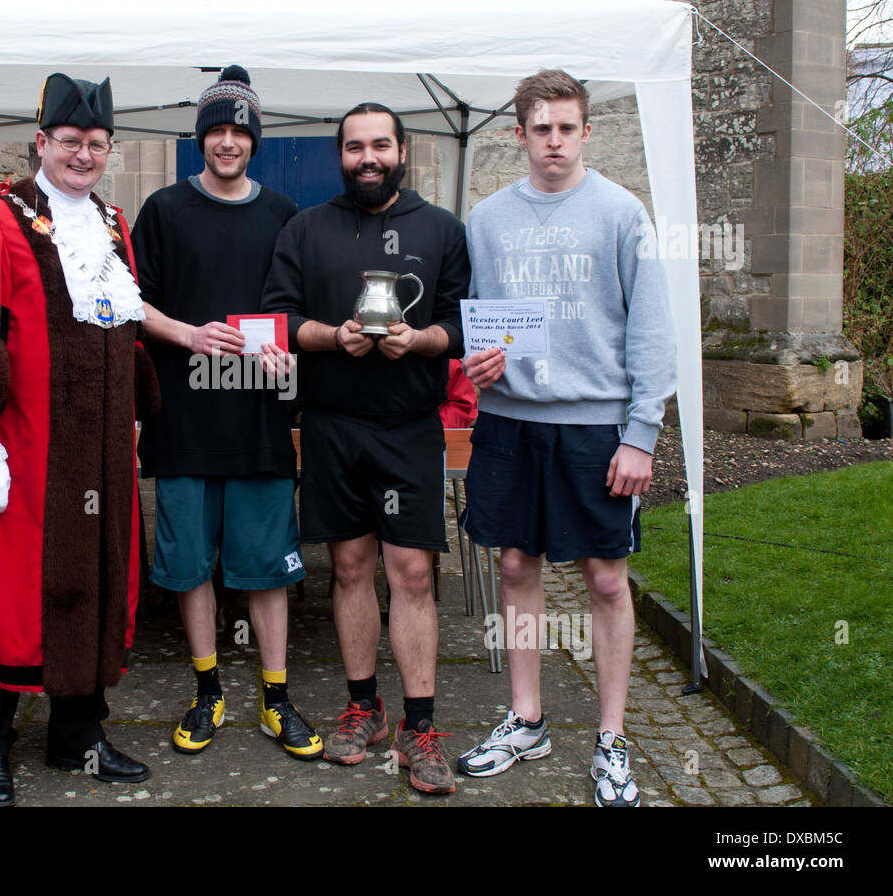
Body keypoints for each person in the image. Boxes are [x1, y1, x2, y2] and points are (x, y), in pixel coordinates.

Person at [0, 73, 151, 807]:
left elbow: (121, 322)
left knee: (92, 586)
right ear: (42, 142)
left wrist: (130, 414)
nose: (83, 155)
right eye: (70, 142)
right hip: (24, 453)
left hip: (97, 452)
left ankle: (78, 734)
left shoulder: (111, 223)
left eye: (96, 144)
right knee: (7, 597)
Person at [261, 103, 503, 794]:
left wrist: (420, 340)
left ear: (402, 150)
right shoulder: (306, 229)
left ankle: (419, 726)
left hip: (409, 425)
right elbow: (279, 316)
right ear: (340, 155)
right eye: (355, 147)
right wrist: (332, 336)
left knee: (414, 574)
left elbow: (463, 320)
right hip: (333, 422)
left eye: (380, 145)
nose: (368, 157)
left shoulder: (441, 229)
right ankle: (362, 705)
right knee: (348, 566)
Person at [455, 69, 676, 807]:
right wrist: (476, 361)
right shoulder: (485, 220)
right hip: (513, 423)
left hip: (595, 427)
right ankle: (526, 718)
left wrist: (640, 433)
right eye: (540, 128)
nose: (554, 140)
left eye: (567, 127)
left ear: (587, 132)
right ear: (519, 134)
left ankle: (612, 737)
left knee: (606, 578)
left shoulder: (621, 213)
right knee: (516, 563)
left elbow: (650, 330)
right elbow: (484, 326)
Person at [132, 66, 321, 761]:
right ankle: (207, 688)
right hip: (184, 419)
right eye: (216, 128)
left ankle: (276, 695)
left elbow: (298, 314)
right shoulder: (163, 210)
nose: (228, 140)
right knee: (190, 565)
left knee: (267, 565)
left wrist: (289, 351)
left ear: (255, 139)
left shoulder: (283, 215)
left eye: (240, 129)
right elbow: (131, 302)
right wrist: (188, 333)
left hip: (259, 423)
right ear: (200, 137)